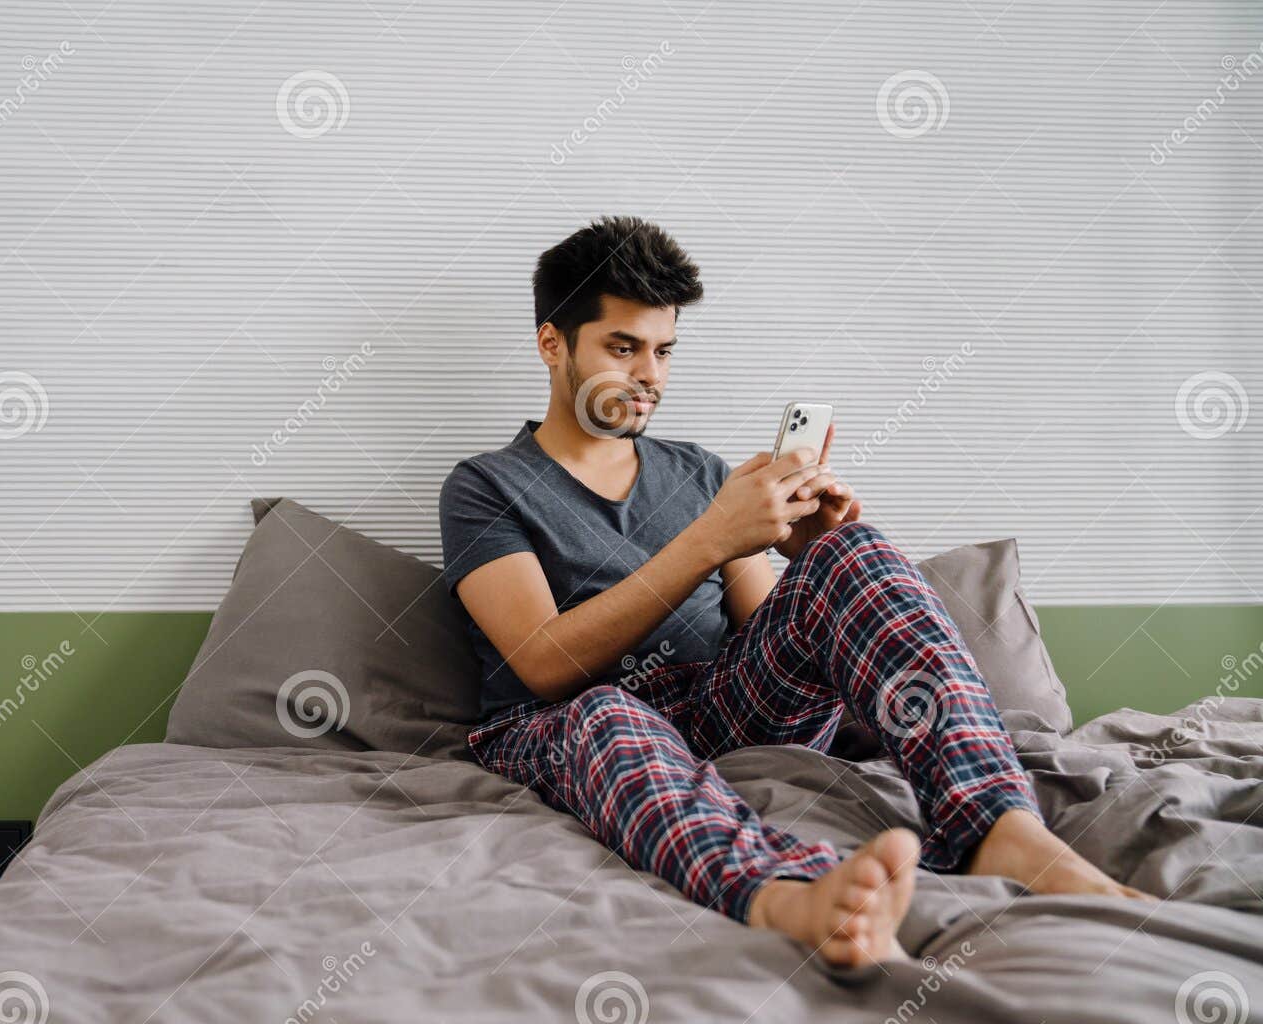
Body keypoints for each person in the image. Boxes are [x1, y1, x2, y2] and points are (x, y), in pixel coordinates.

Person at [438, 216, 1151, 968]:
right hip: (570, 723)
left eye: (664, 350)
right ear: (554, 344)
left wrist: (812, 558)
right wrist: (711, 538)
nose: (650, 374)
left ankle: (1003, 829)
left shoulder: (703, 475)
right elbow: (543, 664)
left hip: (713, 706)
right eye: (624, 347)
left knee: (856, 548)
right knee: (606, 708)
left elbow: (765, 639)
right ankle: (787, 893)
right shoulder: (485, 487)